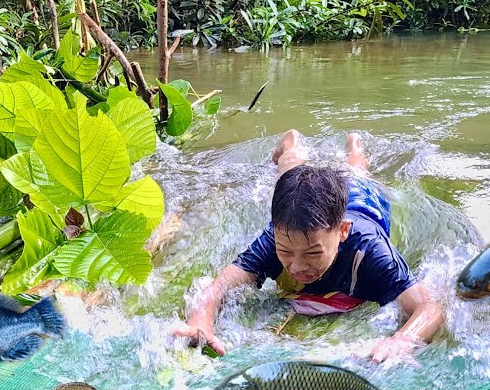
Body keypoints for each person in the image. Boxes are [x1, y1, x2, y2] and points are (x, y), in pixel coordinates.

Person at [175, 130, 445, 364]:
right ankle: (289, 148)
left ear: (342, 232)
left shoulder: (369, 251)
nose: (297, 266)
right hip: (307, 208)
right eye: (286, 253)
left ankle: (355, 149)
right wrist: (199, 321)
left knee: (356, 173)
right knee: (292, 175)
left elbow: (430, 308)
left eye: (313, 253)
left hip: (363, 199)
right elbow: (220, 286)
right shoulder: (276, 237)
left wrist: (403, 340)